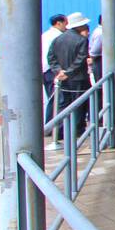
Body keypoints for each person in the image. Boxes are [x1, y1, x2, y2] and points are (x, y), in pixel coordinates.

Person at [48, 12, 91, 144]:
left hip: (63, 79)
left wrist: (59, 71)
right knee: (79, 104)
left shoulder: (58, 39)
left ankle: (60, 131)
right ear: (80, 25)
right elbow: (81, 58)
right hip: (79, 78)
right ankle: (78, 130)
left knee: (62, 104)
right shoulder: (81, 40)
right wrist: (69, 72)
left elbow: (51, 57)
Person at [41, 14, 68, 125]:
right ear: (59, 23)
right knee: (56, 99)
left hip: (45, 70)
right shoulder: (58, 36)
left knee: (52, 98)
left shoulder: (45, 35)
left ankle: (51, 125)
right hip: (53, 70)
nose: (66, 26)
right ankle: (51, 126)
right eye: (66, 23)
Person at [89, 16, 104, 82]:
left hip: (98, 59)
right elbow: (95, 51)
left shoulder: (99, 31)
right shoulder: (100, 33)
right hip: (98, 59)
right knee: (100, 83)